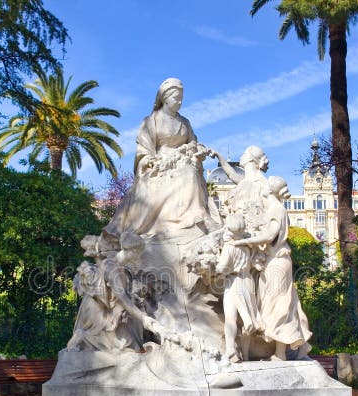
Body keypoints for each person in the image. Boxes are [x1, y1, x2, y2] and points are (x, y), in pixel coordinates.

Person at [104, 78, 220, 242]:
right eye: (176, 97)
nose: (179, 101)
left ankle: (195, 217)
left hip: (182, 160)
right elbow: (143, 148)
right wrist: (150, 160)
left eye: (181, 98)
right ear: (165, 97)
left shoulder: (185, 122)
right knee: (180, 175)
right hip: (159, 162)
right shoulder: (151, 121)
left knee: (190, 173)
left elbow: (193, 141)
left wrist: (191, 148)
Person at [232, 176, 312, 361]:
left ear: (267, 190)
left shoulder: (277, 210)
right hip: (274, 262)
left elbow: (269, 236)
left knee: (278, 306)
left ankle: (281, 353)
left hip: (277, 263)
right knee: (285, 302)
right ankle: (301, 345)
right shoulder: (272, 210)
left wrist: (244, 241)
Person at [67, 233, 173, 351]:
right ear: (131, 251)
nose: (138, 257)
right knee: (128, 343)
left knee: (132, 338)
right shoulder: (114, 268)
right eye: (138, 253)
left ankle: (84, 336)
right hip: (97, 313)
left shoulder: (114, 262)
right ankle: (83, 337)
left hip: (102, 308)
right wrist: (144, 319)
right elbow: (122, 299)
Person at [216, 214, 262, 362]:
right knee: (246, 322)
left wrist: (217, 267)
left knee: (231, 318)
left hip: (233, 281)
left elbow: (221, 267)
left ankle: (231, 350)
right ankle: (247, 355)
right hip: (248, 281)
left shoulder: (230, 247)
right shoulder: (247, 245)